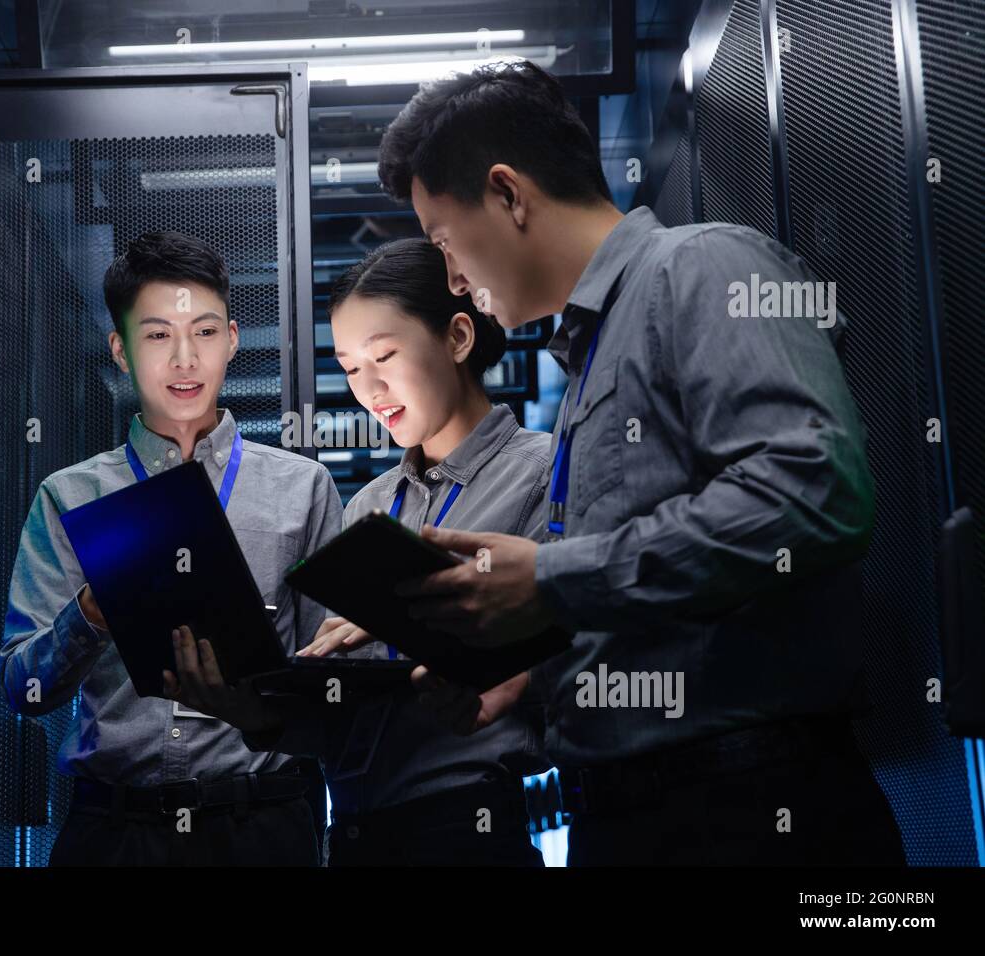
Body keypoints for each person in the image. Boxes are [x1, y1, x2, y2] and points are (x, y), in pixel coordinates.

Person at [371, 60, 905, 865]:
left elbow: (815, 492)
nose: (450, 278)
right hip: (642, 815)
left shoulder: (703, 268)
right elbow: (663, 601)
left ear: (510, 194)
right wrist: (534, 671)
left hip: (748, 813)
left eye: (444, 240)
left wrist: (550, 581)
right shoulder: (590, 354)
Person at [166, 238, 550, 866]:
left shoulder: (541, 473)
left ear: (458, 337)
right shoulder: (370, 505)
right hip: (352, 839)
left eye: (385, 355)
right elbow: (347, 711)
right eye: (348, 367)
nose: (367, 390)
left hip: (466, 832)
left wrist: (421, 619)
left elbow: (577, 663)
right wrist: (255, 714)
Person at [0, 230, 342, 866]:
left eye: (205, 333)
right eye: (157, 335)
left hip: (261, 827)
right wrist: (91, 614)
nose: (185, 359)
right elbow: (23, 690)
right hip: (115, 834)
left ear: (232, 340)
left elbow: (336, 696)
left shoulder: (303, 489)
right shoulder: (71, 498)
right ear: (121, 351)